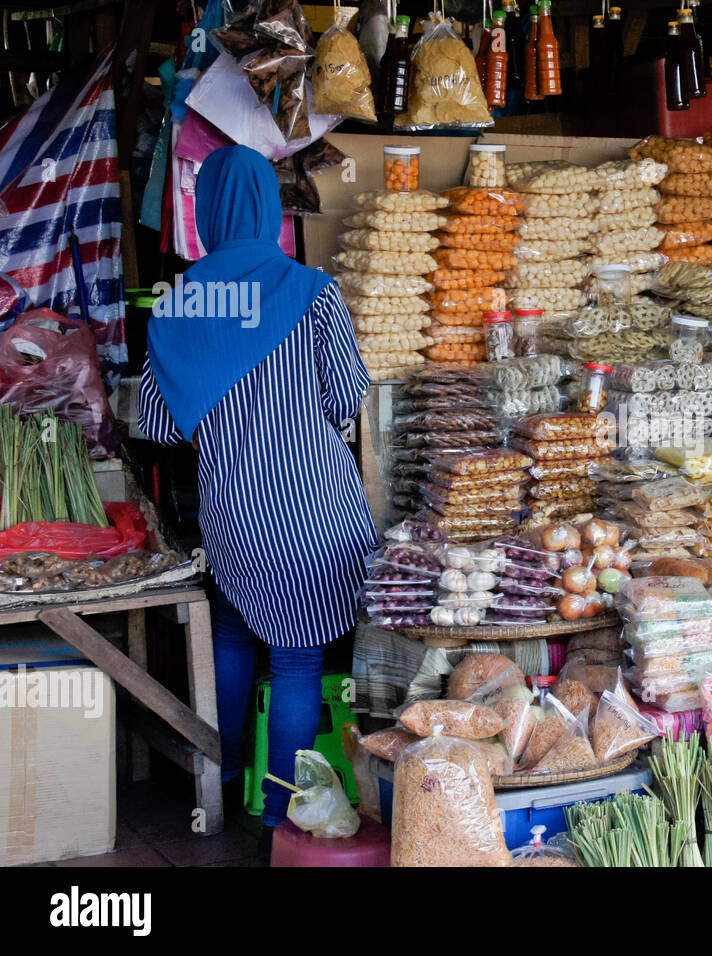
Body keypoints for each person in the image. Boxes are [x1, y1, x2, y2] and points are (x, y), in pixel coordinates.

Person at [138, 145, 376, 844]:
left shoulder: (176, 304)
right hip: (315, 508)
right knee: (299, 659)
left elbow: (160, 422)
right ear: (269, 211)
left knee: (235, 634)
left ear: (205, 211)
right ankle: (280, 814)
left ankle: (228, 774)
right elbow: (348, 397)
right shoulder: (312, 290)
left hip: (233, 512)